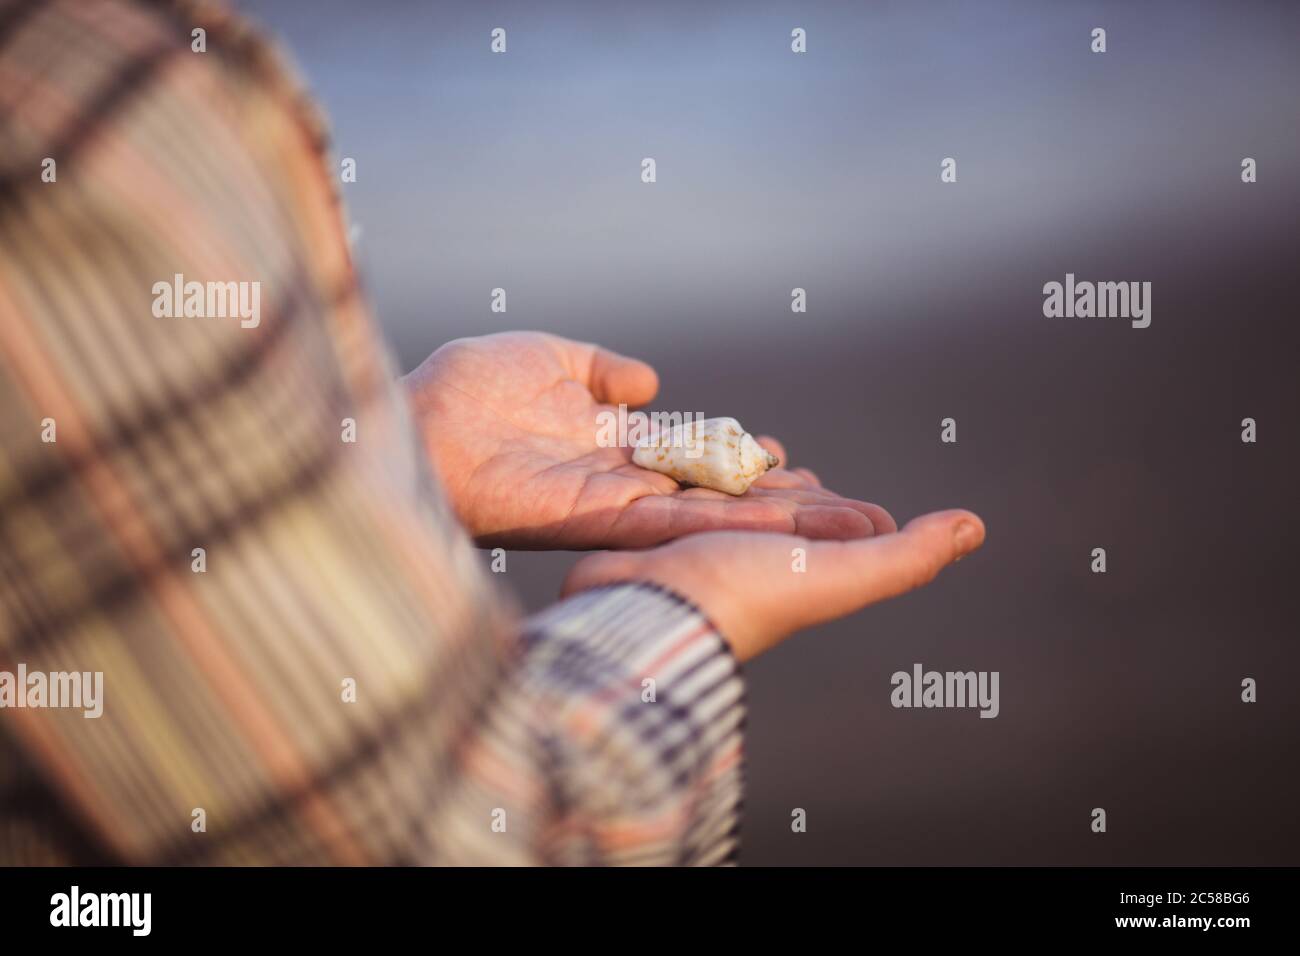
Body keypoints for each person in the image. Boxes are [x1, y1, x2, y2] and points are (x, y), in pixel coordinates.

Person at [0, 0, 984, 865]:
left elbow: (69, 533)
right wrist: (685, 613)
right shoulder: (86, 116)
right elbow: (451, 840)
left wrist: (387, 442)